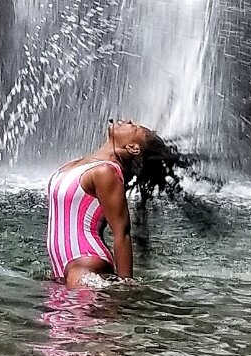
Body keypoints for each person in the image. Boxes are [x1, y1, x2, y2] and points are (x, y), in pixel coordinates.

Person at [46, 118, 165, 286]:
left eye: (135, 127)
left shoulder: (107, 172)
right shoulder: (81, 163)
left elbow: (122, 232)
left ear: (133, 148)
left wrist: (125, 287)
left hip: (85, 262)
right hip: (60, 268)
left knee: (76, 313)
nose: (129, 121)